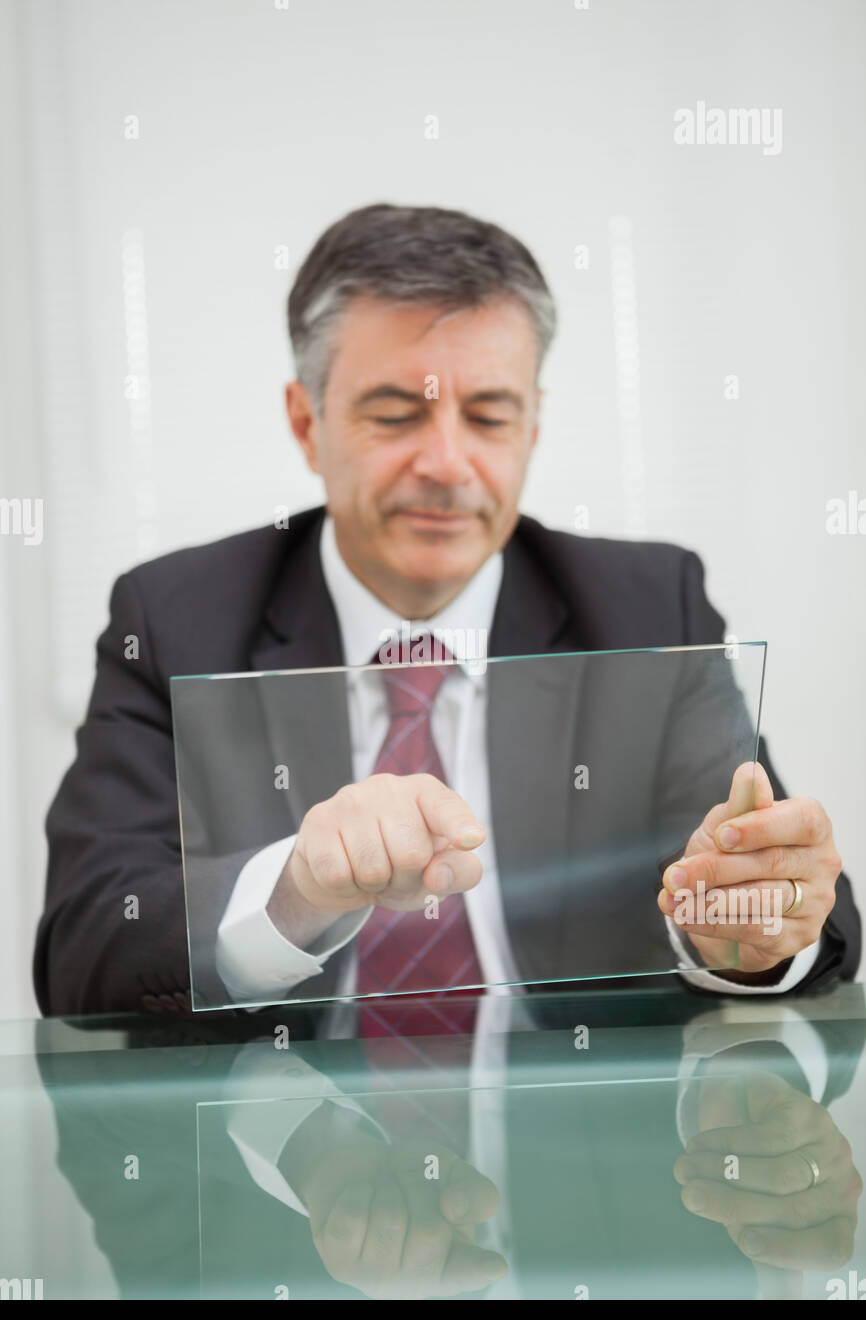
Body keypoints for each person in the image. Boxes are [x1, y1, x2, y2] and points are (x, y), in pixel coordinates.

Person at [34, 204, 860, 1019]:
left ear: (533, 426)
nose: (446, 462)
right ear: (305, 422)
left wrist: (747, 929)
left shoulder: (649, 609)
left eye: (491, 415)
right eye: (395, 414)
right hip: (276, 1134)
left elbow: (786, 907)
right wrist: (295, 892)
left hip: (587, 1135)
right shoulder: (174, 619)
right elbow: (85, 946)